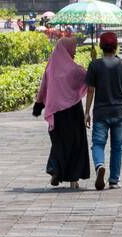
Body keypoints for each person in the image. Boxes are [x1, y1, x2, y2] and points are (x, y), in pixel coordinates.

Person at [32, 36, 90, 190]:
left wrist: (38, 104)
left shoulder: (51, 67)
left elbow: (44, 86)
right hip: (73, 111)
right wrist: (94, 62)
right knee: (76, 144)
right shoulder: (74, 69)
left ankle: (55, 170)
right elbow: (88, 78)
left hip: (56, 112)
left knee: (59, 143)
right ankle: (73, 179)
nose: (75, 52)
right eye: (73, 49)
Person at [85, 30, 122, 191]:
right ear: (116, 46)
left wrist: (86, 112)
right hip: (119, 111)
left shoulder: (94, 65)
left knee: (98, 144)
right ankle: (114, 180)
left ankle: (99, 166)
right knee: (117, 147)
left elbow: (90, 90)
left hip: (100, 112)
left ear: (100, 46)